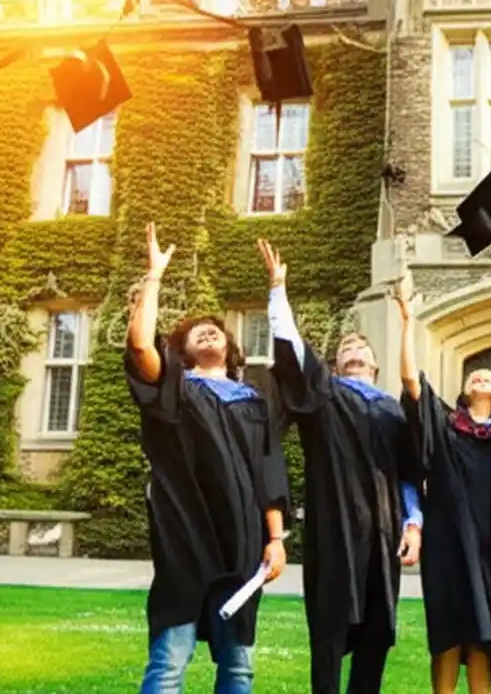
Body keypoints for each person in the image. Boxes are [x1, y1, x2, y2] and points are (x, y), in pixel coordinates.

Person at [126, 223, 290, 694]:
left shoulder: (254, 399)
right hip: (186, 536)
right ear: (183, 350)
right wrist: (153, 276)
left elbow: (268, 471)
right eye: (197, 331)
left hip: (242, 541)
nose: (208, 332)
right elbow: (140, 345)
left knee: (238, 668)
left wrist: (276, 539)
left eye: (215, 329)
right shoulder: (176, 388)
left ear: (229, 347)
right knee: (168, 666)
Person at [259, 239, 424, 694]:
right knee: (330, 634)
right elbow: (293, 351)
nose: (354, 351)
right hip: (335, 532)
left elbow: (411, 471)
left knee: (377, 632)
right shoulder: (324, 398)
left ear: (374, 364)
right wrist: (278, 292)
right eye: (346, 348)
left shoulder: (393, 409)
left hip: (385, 534)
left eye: (361, 348)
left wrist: (414, 524)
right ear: (336, 364)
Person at [393, 277, 491, 694]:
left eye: (489, 377)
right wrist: (407, 321)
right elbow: (411, 384)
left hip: (488, 549)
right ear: (464, 388)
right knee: (448, 634)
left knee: (483, 635)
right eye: (474, 375)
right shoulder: (444, 426)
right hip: (448, 544)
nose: (481, 378)